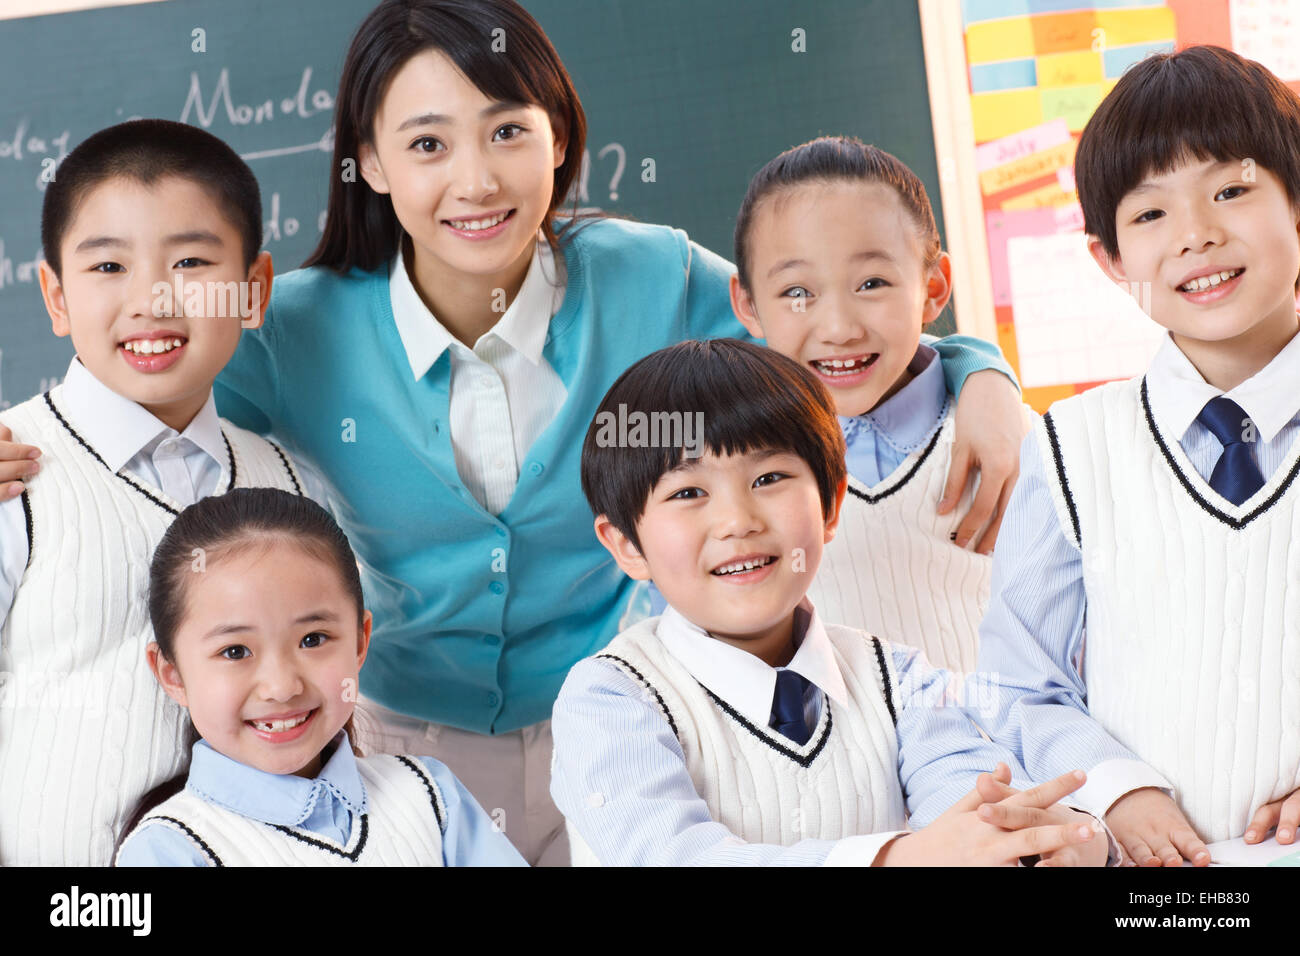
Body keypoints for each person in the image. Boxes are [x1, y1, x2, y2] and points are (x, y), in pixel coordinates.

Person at [0, 0, 1027, 866]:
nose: (477, 180)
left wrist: (978, 371)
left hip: (643, 716)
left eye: (506, 130)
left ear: (557, 135)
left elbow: (817, 325)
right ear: (370, 164)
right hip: (400, 753)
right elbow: (142, 371)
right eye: (427, 144)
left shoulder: (651, 275)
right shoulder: (296, 326)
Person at [910, 45, 1300, 866]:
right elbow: (1023, 683)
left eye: (1232, 190)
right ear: (1111, 260)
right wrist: (1120, 787)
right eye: (1150, 214)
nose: (1197, 234)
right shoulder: (1072, 449)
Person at [552, 338, 1111, 866]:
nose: (737, 522)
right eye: (688, 492)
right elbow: (674, 859)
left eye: (769, 477)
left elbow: (964, 806)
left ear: (831, 505)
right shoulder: (611, 699)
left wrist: (1040, 840)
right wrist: (896, 858)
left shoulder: (897, 678)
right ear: (627, 544)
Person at [0, 119, 317, 865]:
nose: (152, 300)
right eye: (108, 268)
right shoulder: (13, 474)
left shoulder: (290, 482)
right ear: (55, 297)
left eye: (192, 262)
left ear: (253, 290)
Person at [730, 136, 1031, 672]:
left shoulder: (1016, 442)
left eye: (872, 283)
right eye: (797, 293)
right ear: (748, 305)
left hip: (1014, 746)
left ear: (934, 288)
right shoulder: (736, 470)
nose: (840, 329)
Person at [115, 488, 525, 866]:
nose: (281, 687)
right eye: (235, 651)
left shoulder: (430, 794)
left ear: (361, 641)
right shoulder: (168, 851)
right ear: (172, 675)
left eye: (313, 639)